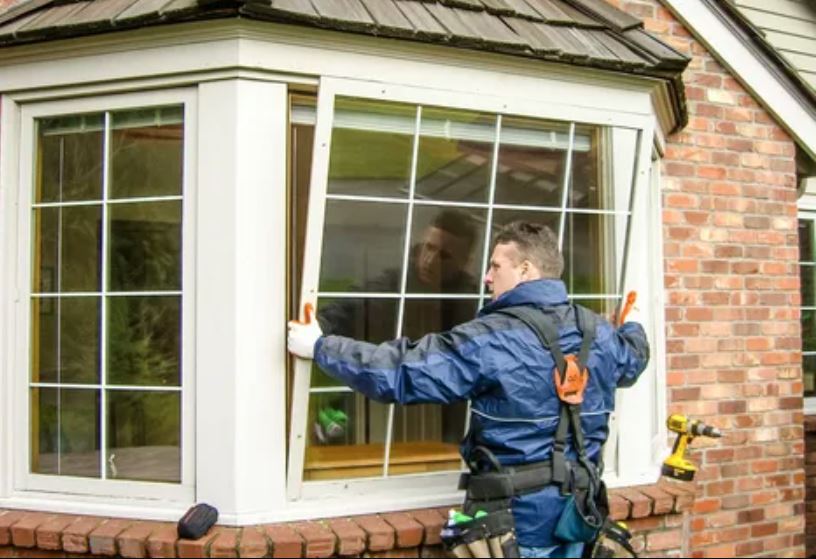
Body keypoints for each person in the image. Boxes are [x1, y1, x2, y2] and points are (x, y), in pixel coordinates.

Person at [288, 221, 649, 558]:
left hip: (515, 530)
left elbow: (402, 372)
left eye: (496, 267)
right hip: (581, 522)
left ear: (525, 271)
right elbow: (634, 358)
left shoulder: (492, 338)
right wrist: (631, 326)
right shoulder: (599, 334)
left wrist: (320, 347)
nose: (487, 278)